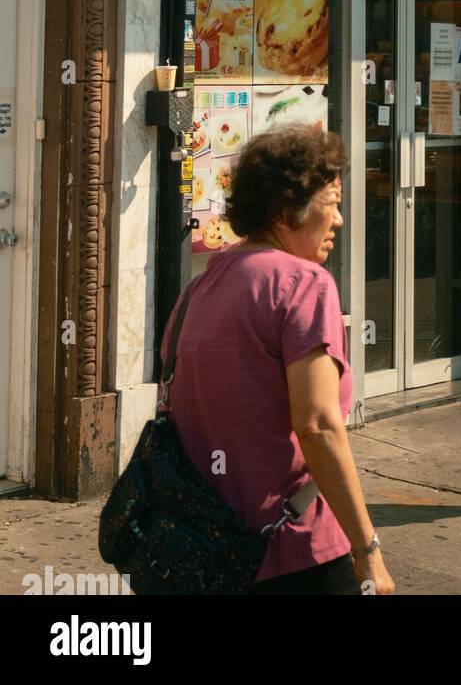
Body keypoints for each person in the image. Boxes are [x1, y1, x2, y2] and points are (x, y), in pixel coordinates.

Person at [159, 124, 394, 594]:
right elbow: (319, 427)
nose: (340, 220)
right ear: (287, 209)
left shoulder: (199, 287)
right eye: (332, 203)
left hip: (205, 547)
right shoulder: (304, 284)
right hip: (292, 550)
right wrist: (368, 552)